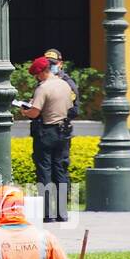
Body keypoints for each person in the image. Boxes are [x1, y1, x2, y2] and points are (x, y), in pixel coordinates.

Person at [20, 55, 74, 223]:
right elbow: (70, 107)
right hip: (64, 132)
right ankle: (62, 212)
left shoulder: (43, 88)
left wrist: (24, 111)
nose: (37, 77)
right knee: (61, 170)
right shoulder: (65, 85)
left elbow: (35, 112)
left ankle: (48, 213)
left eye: (37, 74)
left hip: (46, 132)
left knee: (44, 171)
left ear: (43, 71)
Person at [43, 47, 77, 176]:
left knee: (60, 169)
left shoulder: (67, 83)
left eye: (53, 64)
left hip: (60, 130)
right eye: (48, 64)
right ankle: (46, 197)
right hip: (44, 132)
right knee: (44, 170)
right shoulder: (42, 81)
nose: (50, 66)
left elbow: (74, 110)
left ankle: (62, 197)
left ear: (60, 64)